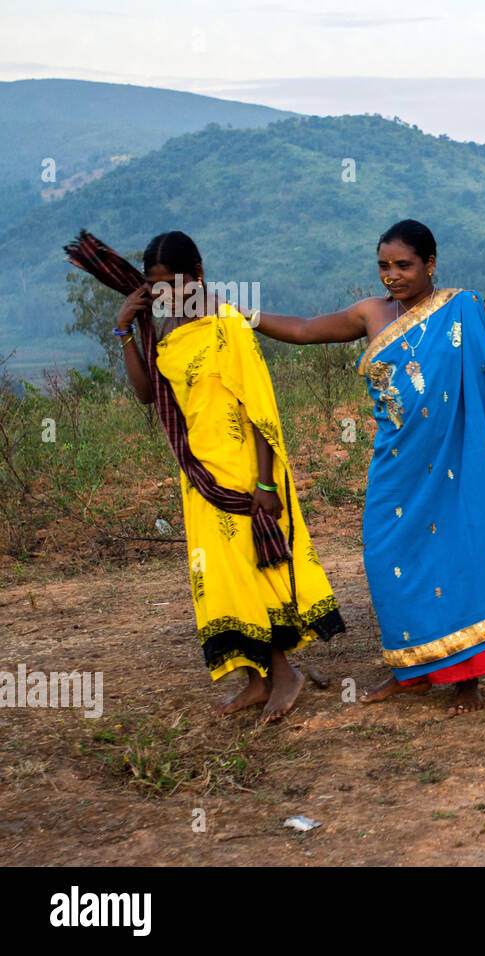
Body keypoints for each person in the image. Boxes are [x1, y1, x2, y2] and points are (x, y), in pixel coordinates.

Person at [247, 220, 485, 716]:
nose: (392, 276)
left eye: (404, 265)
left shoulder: (462, 308)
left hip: (460, 458)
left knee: (466, 549)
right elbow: (305, 330)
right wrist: (243, 315)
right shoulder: (371, 313)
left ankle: (469, 680)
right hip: (397, 463)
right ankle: (412, 669)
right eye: (383, 266)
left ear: (430, 265)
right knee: (385, 554)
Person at [67, 230, 344, 723]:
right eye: (154, 285)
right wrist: (124, 330)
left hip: (243, 472)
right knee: (220, 577)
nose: (164, 294)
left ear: (197, 274)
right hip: (199, 473)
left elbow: (258, 405)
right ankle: (256, 682)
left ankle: (285, 675)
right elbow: (147, 395)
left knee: (251, 570)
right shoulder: (167, 332)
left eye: (171, 283)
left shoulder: (226, 327)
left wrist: (264, 485)